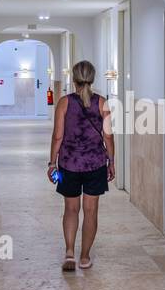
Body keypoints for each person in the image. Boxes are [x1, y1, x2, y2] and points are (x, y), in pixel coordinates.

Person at [47, 60, 115, 271]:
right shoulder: (102, 103)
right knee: (91, 211)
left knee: (71, 209)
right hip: (95, 165)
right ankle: (84, 257)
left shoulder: (64, 103)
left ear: (73, 79)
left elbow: (58, 136)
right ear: (92, 79)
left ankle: (69, 252)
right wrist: (111, 162)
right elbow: (108, 137)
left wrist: (52, 163)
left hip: (68, 164)